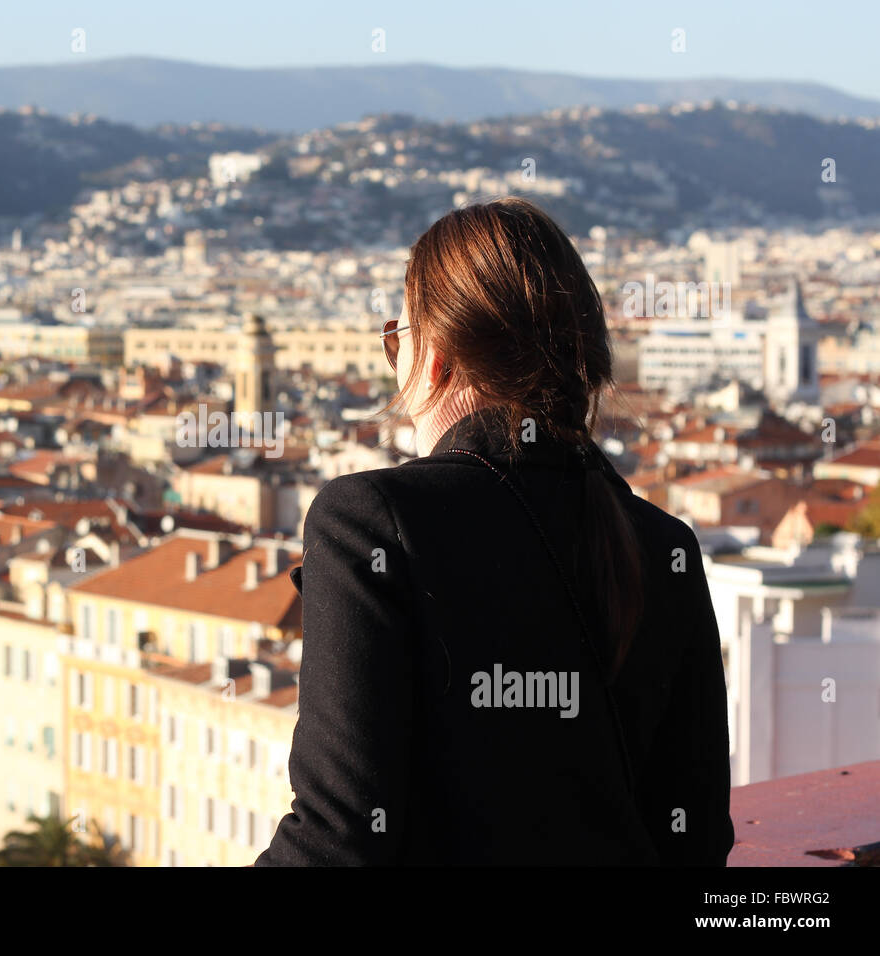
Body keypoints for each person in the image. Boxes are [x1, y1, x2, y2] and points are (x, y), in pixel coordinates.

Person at [254, 198, 735, 866]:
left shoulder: (370, 522)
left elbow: (340, 838)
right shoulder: (665, 546)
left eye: (398, 338)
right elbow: (698, 838)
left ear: (437, 358)